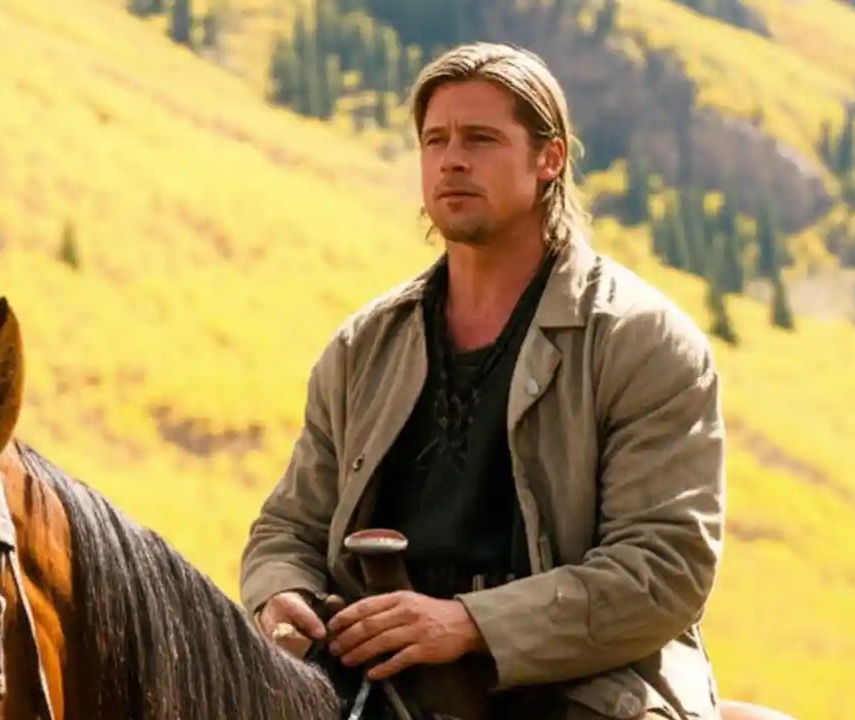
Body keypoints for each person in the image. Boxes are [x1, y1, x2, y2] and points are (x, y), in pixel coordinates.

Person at [239, 41, 727, 720]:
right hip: (373, 677)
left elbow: (665, 568)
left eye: (481, 138)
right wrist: (279, 596)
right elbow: (288, 526)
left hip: (584, 689)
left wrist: (466, 623)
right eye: (434, 139)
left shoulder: (641, 341)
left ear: (549, 158)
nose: (452, 159)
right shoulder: (363, 348)